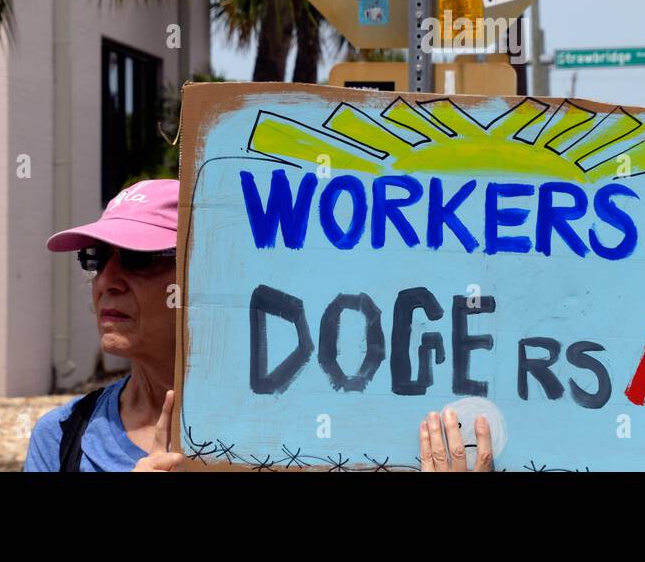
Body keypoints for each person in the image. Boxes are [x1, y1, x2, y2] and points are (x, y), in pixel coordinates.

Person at [24, 178, 491, 472]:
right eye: (96, 257)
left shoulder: (299, 437)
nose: (107, 279)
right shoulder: (64, 436)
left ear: (205, 272)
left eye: (139, 258)